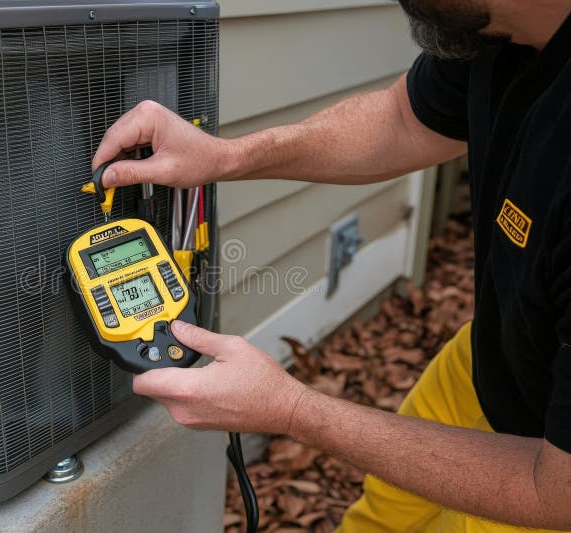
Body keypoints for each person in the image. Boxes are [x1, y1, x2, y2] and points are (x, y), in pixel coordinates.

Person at [91, 1, 571, 531]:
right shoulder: (496, 29)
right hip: (487, 362)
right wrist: (225, 157)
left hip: (540, 479)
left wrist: (293, 411)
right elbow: (401, 122)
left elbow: (553, 493)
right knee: (381, 514)